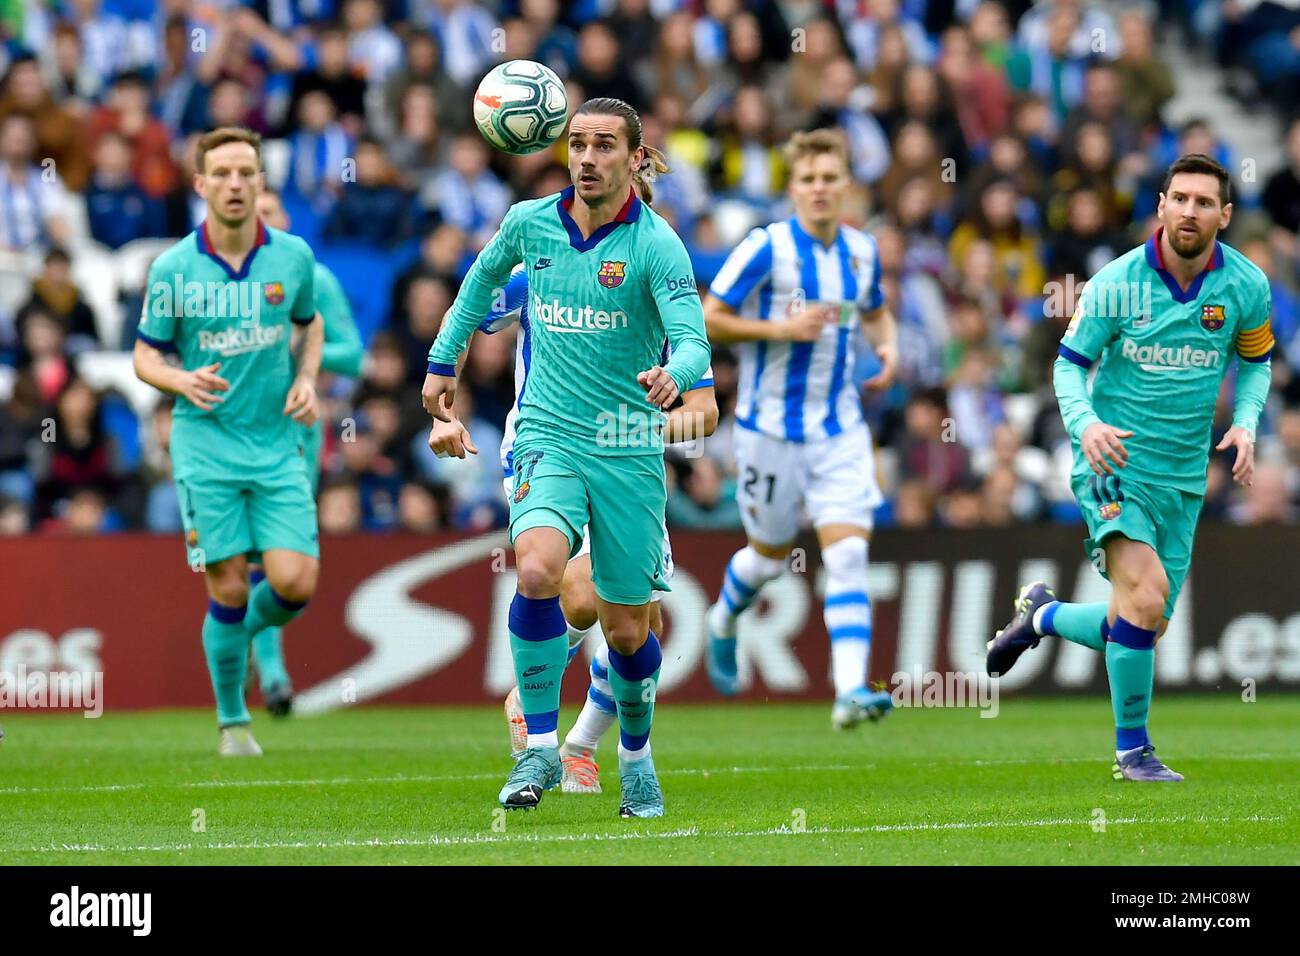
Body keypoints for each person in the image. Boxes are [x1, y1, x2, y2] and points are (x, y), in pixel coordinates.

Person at [421, 98, 711, 817]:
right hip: (547, 434)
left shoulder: (657, 246)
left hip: (626, 445)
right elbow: (477, 290)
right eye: (576, 144)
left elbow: (695, 342)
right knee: (539, 568)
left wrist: (679, 377)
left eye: (604, 145)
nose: (586, 157)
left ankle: (634, 755)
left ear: (636, 158)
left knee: (626, 628)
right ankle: (542, 750)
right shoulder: (530, 227)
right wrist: (440, 369)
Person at [987, 154, 1272, 783]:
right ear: (1162, 206)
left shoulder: (1246, 287)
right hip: (1114, 467)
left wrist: (1247, 419)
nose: (1190, 211)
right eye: (1180, 199)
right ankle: (1132, 753)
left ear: (1223, 215)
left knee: (1142, 621)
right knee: (1145, 599)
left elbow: (1255, 363)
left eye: (1204, 202)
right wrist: (1085, 425)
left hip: (1182, 480)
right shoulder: (1118, 282)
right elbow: (1067, 365)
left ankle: (1042, 616)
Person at [133, 127, 324, 757]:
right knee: (230, 589)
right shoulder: (173, 269)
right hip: (205, 445)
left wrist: (306, 377)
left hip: (275, 442)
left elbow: (310, 321)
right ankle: (232, 720)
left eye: (247, 172)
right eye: (222, 174)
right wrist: (178, 377)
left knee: (295, 582)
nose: (236, 184)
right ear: (201, 185)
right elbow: (143, 356)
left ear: (261, 181)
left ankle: (236, 638)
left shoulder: (292, 256)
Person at [701, 128, 900, 729]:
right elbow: (709, 319)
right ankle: (722, 622)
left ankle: (847, 693)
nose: (819, 189)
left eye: (829, 179)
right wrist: (778, 332)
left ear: (846, 186)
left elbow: (875, 311)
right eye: (808, 179)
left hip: (839, 431)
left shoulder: (863, 252)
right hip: (767, 433)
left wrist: (886, 350)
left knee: (848, 556)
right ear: (792, 188)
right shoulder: (766, 249)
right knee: (768, 556)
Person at [243, 188, 363, 717]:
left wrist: (299, 346)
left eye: (268, 212)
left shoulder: (313, 280)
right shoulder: (220, 286)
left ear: (285, 221)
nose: (257, 222)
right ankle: (268, 670)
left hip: (293, 433)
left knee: (278, 559)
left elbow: (354, 355)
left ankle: (262, 662)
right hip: (230, 432)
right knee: (241, 558)